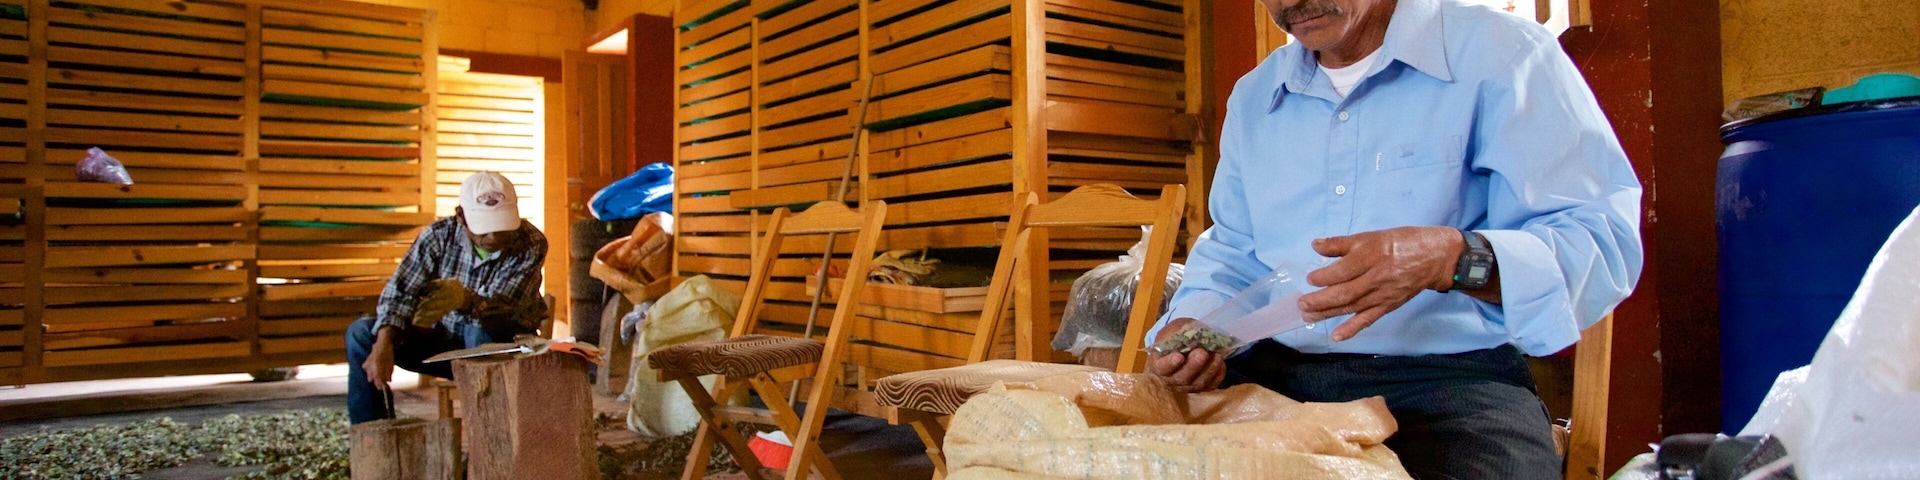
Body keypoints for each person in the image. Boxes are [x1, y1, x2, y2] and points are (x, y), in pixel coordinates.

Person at [1144, 0, 1643, 477]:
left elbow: (1600, 241)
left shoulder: (1504, 54)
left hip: (1451, 385)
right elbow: (1234, 248)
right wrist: (1197, 323)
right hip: (1271, 374)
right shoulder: (1255, 95)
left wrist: (1450, 257)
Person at [345, 171, 550, 424]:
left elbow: (503, 308)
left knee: (479, 330)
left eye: (502, 228)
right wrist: (384, 340)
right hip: (443, 346)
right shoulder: (438, 236)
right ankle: (373, 433)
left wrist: (465, 299)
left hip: (500, 344)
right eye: (484, 230)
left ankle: (490, 436)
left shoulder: (531, 242)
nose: (494, 237)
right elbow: (400, 290)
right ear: (461, 216)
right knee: (361, 333)